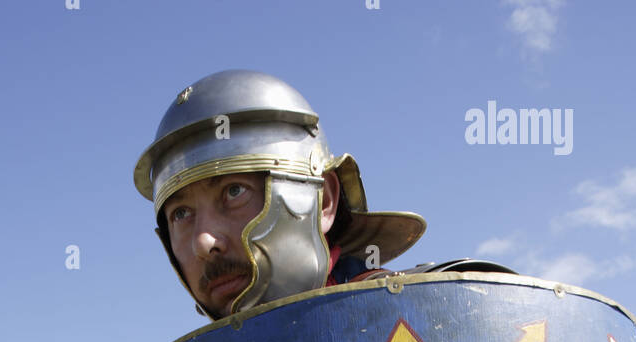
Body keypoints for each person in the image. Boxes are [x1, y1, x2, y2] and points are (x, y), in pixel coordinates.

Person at [134, 69, 512, 320]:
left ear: (325, 201)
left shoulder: (450, 310)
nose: (203, 242)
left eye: (235, 192)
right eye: (181, 214)